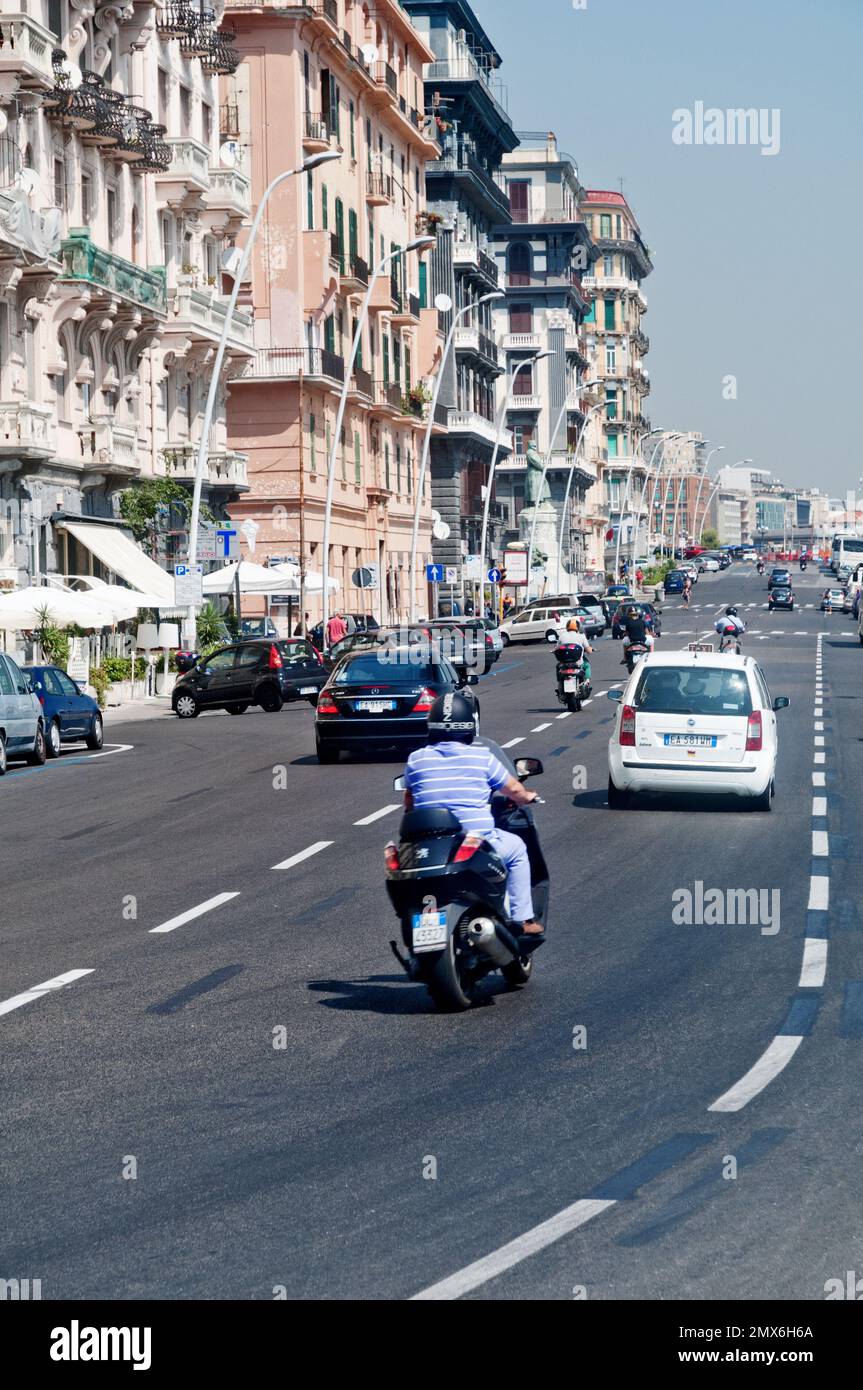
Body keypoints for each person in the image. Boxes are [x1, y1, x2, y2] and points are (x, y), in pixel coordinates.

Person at [403, 694, 545, 949]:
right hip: (475, 842)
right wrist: (529, 796)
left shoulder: (416, 760)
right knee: (517, 850)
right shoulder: (482, 758)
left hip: (430, 847)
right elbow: (514, 791)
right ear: (470, 727)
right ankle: (523, 918)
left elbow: (410, 804)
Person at [557, 616, 592, 683]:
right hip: (578, 663)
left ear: (567, 627)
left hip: (564, 663)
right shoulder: (581, 636)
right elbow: (589, 651)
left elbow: (556, 648)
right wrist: (590, 649)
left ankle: (559, 682)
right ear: (578, 627)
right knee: (587, 665)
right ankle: (587, 681)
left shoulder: (562, 636)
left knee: (558, 666)